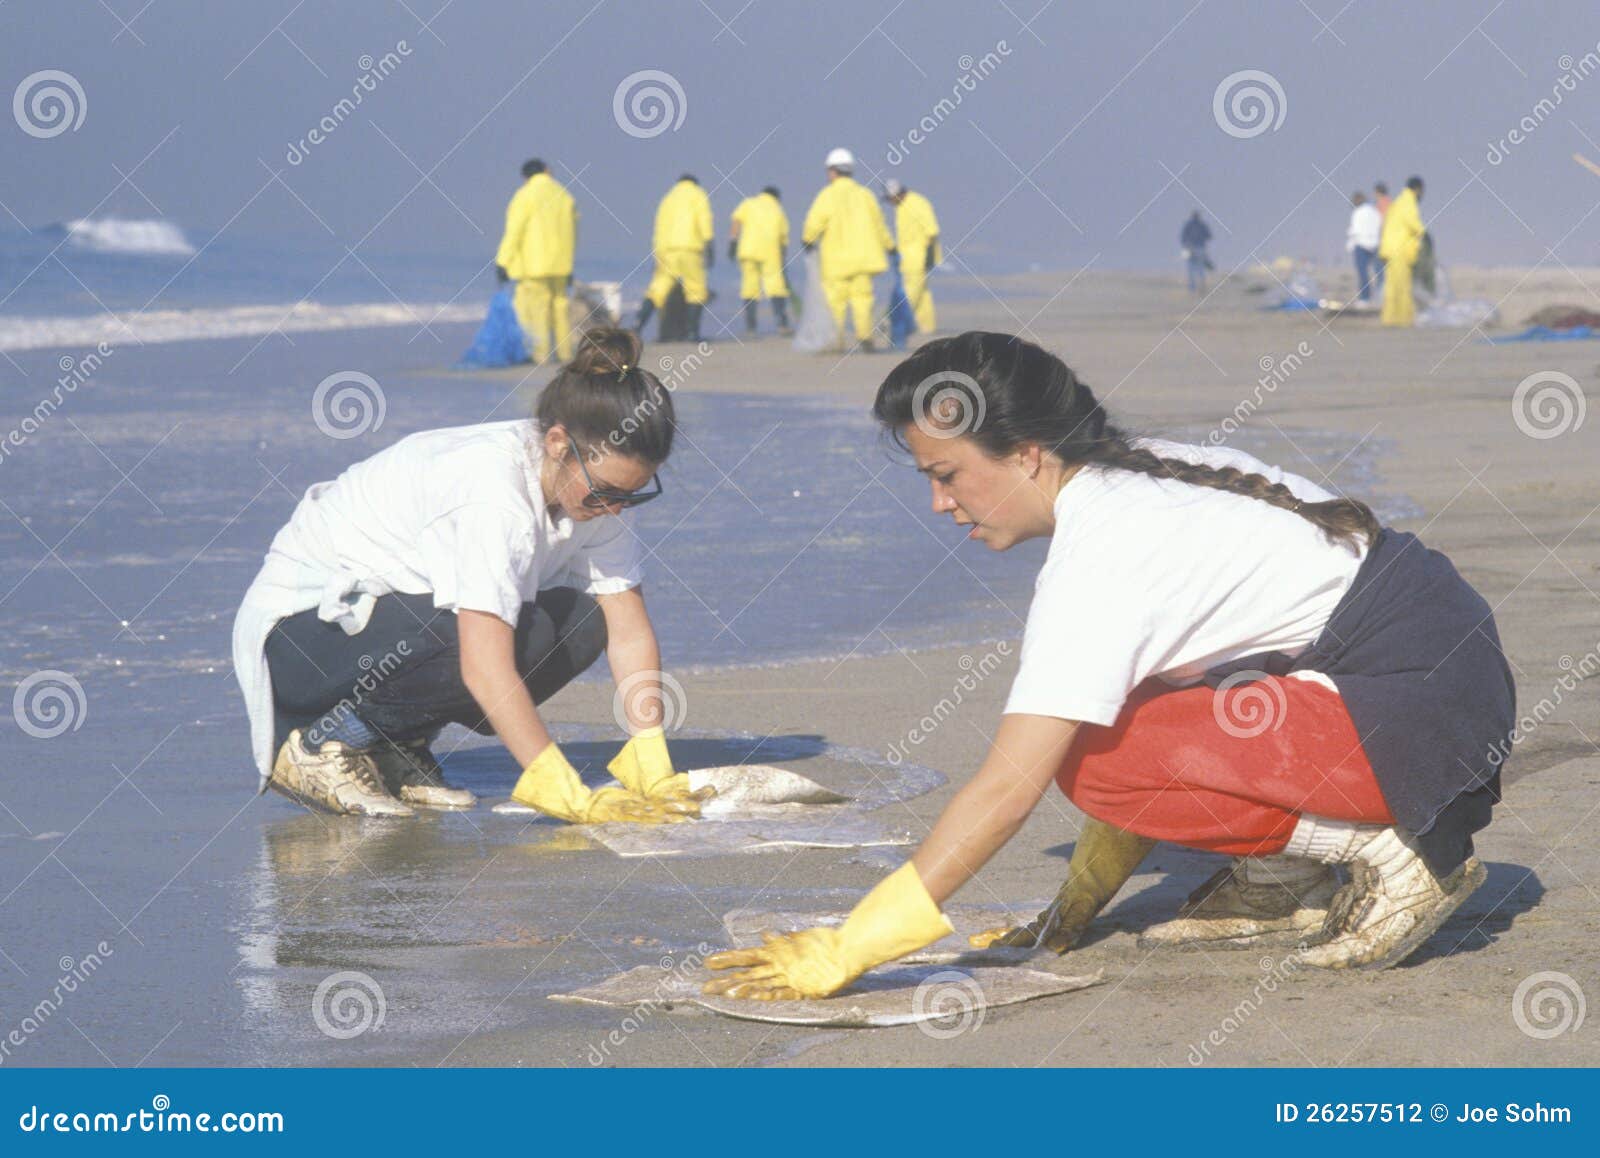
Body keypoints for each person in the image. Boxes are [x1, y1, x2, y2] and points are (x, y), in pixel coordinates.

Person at [704, 331, 1512, 1000]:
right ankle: (1294, 870)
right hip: (1437, 683)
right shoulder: (1136, 470)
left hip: (1418, 709)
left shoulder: (1101, 557)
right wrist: (1075, 908)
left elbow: (1007, 787)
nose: (939, 504)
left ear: (1026, 455)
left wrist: (855, 943)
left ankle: (1397, 855)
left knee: (1092, 761)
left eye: (946, 476)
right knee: (1126, 716)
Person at [232, 329, 708, 823]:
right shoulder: (493, 495)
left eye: (631, 494)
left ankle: (393, 746)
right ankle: (325, 741)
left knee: (582, 621)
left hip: (390, 623)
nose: (613, 508)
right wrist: (553, 778)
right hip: (302, 643)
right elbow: (483, 663)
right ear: (557, 443)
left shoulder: (601, 492)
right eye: (604, 492)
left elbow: (626, 628)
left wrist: (648, 749)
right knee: (476, 634)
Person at [801, 147, 895, 352]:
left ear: (833, 170)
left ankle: (837, 342)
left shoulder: (826, 195)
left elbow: (814, 223)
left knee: (836, 303)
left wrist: (807, 240)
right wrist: (890, 246)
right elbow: (880, 225)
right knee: (863, 300)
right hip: (863, 260)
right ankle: (865, 337)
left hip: (836, 262)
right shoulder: (865, 195)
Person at [494, 159, 579, 364]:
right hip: (561, 264)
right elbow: (573, 231)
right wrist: (568, 264)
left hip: (533, 265)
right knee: (560, 309)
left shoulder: (524, 196)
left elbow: (514, 231)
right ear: (546, 171)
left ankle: (540, 355)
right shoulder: (565, 196)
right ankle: (565, 353)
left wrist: (502, 261)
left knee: (536, 310)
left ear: (525, 177)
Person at [636, 174, 714, 343]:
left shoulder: (667, 198)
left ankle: (637, 326)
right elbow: (704, 220)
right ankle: (693, 333)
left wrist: (657, 253)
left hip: (666, 250)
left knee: (658, 289)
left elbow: (658, 227)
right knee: (696, 289)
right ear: (694, 182)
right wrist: (710, 246)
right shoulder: (698, 194)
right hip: (690, 248)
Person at [729, 185, 792, 336]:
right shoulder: (777, 209)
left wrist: (732, 242)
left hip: (748, 251)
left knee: (749, 288)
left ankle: (751, 328)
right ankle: (782, 325)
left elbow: (736, 222)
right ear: (776, 197)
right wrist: (783, 256)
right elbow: (783, 238)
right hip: (770, 253)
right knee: (776, 287)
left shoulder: (748, 203)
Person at [881, 178, 942, 334]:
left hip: (917, 259)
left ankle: (896, 322)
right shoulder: (902, 206)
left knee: (910, 291)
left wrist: (928, 256)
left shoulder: (917, 203)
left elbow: (932, 230)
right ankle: (926, 327)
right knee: (922, 292)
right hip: (911, 258)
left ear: (896, 195)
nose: (890, 202)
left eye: (890, 198)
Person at [1378, 177, 1425, 327]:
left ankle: (1389, 318)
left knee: (1392, 286)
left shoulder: (1397, 202)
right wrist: (1424, 232)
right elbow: (1412, 222)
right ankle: (1405, 319)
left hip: (1390, 249)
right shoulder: (1408, 201)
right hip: (1400, 250)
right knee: (1403, 286)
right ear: (1417, 189)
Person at [1345, 192, 1381, 306]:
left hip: (1360, 244)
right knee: (1379, 273)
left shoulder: (1357, 212)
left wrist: (1350, 245)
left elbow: (1354, 231)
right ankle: (1381, 298)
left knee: (1363, 273)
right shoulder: (1375, 212)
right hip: (1376, 244)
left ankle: (1365, 298)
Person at [1180, 210, 1212, 293]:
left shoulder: (1189, 225)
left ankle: (1193, 288)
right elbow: (1209, 236)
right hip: (1200, 248)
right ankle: (1201, 287)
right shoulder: (1202, 225)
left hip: (1191, 249)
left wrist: (1187, 244)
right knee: (1200, 269)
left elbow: (1183, 237)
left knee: (1191, 269)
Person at [1371, 181, 1392, 294]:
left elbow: (1381, 223)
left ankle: (1382, 293)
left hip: (1383, 241)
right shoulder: (1391, 203)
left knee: (1380, 269)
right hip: (1389, 240)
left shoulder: (1381, 205)